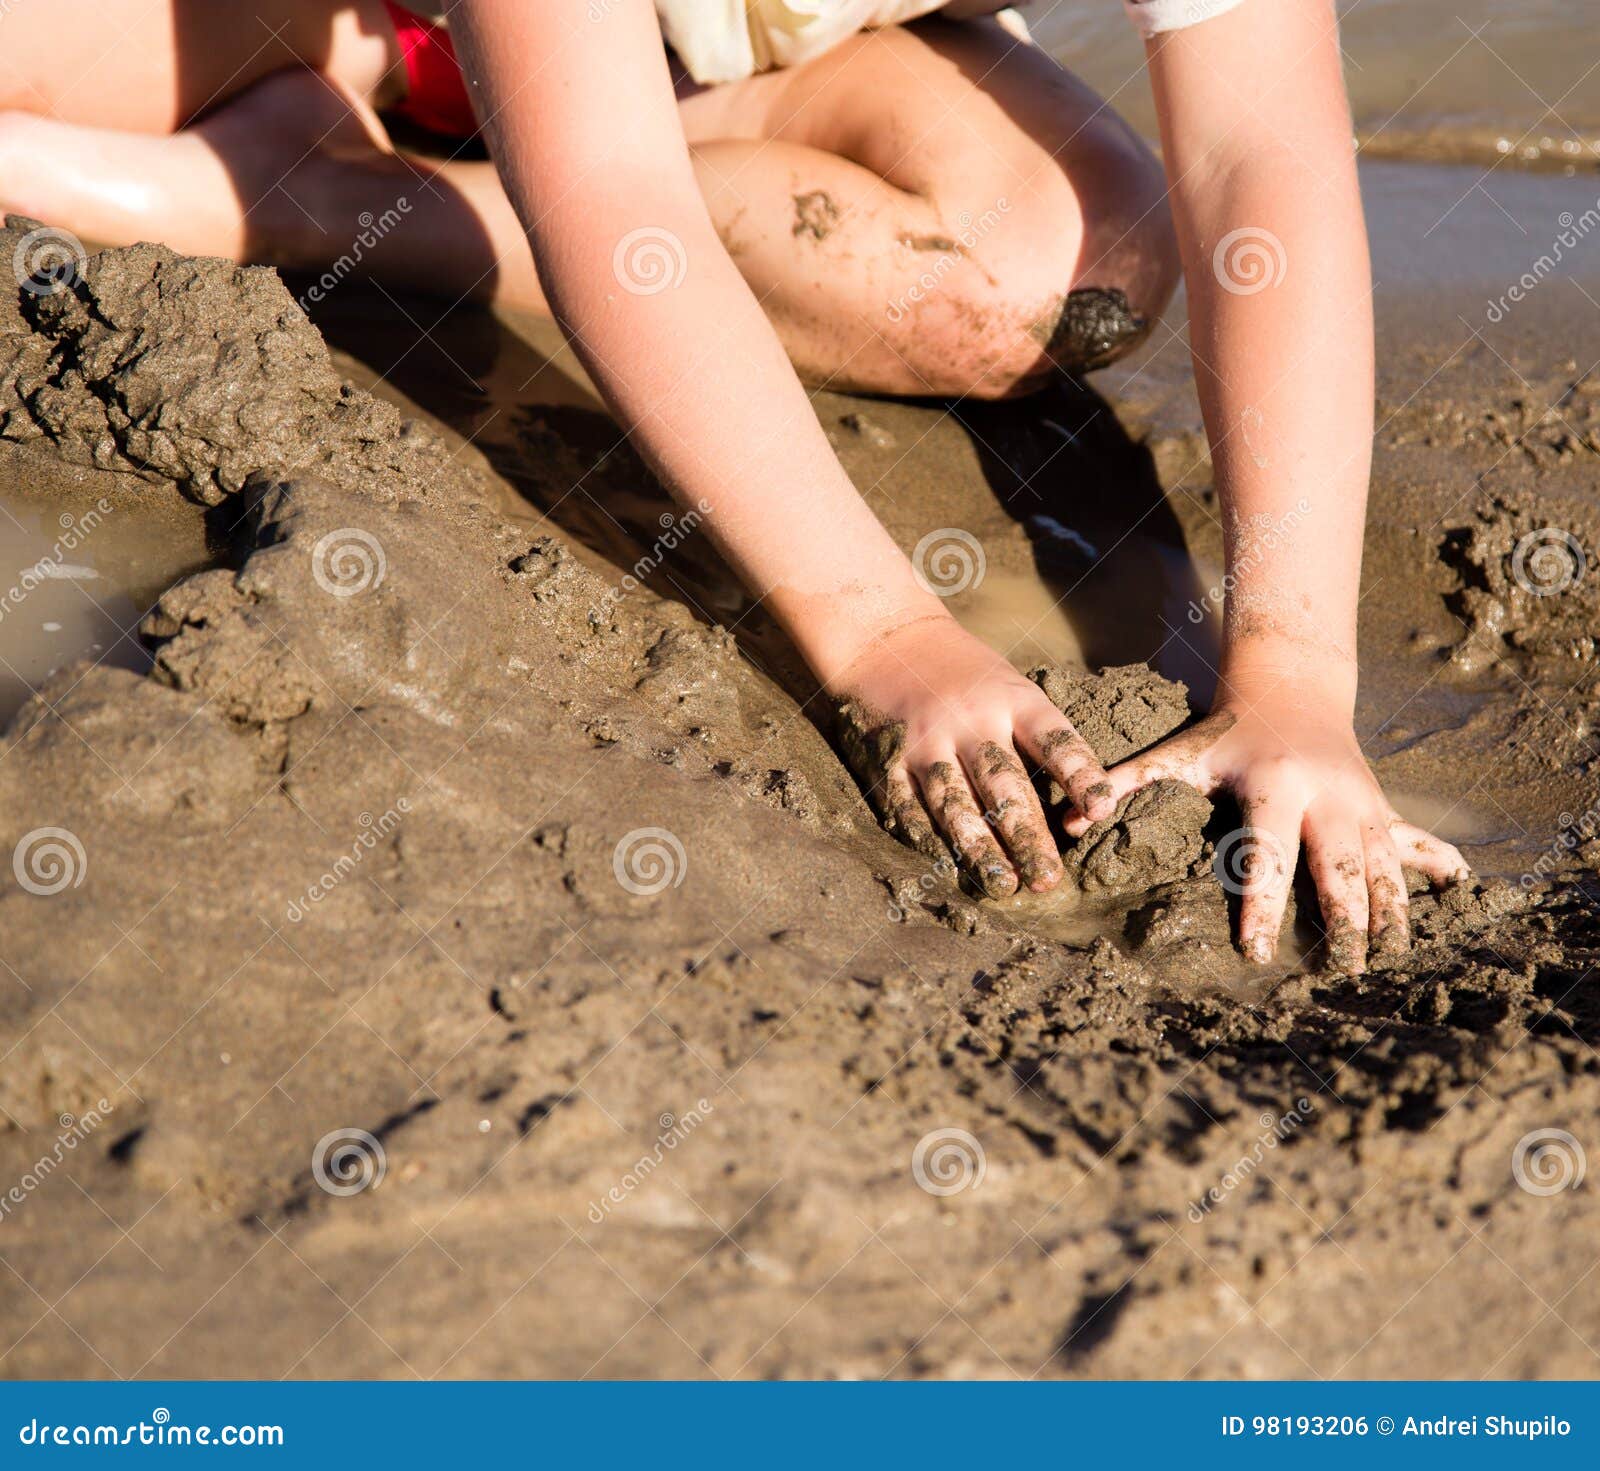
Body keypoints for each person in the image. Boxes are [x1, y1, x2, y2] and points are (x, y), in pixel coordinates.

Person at [0, 0, 1468, 970]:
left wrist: (1295, 674)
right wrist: (885, 635)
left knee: (1067, 268)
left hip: (717, 54)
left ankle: (323, 188)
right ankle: (261, 158)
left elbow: (1257, 153)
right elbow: (610, 197)